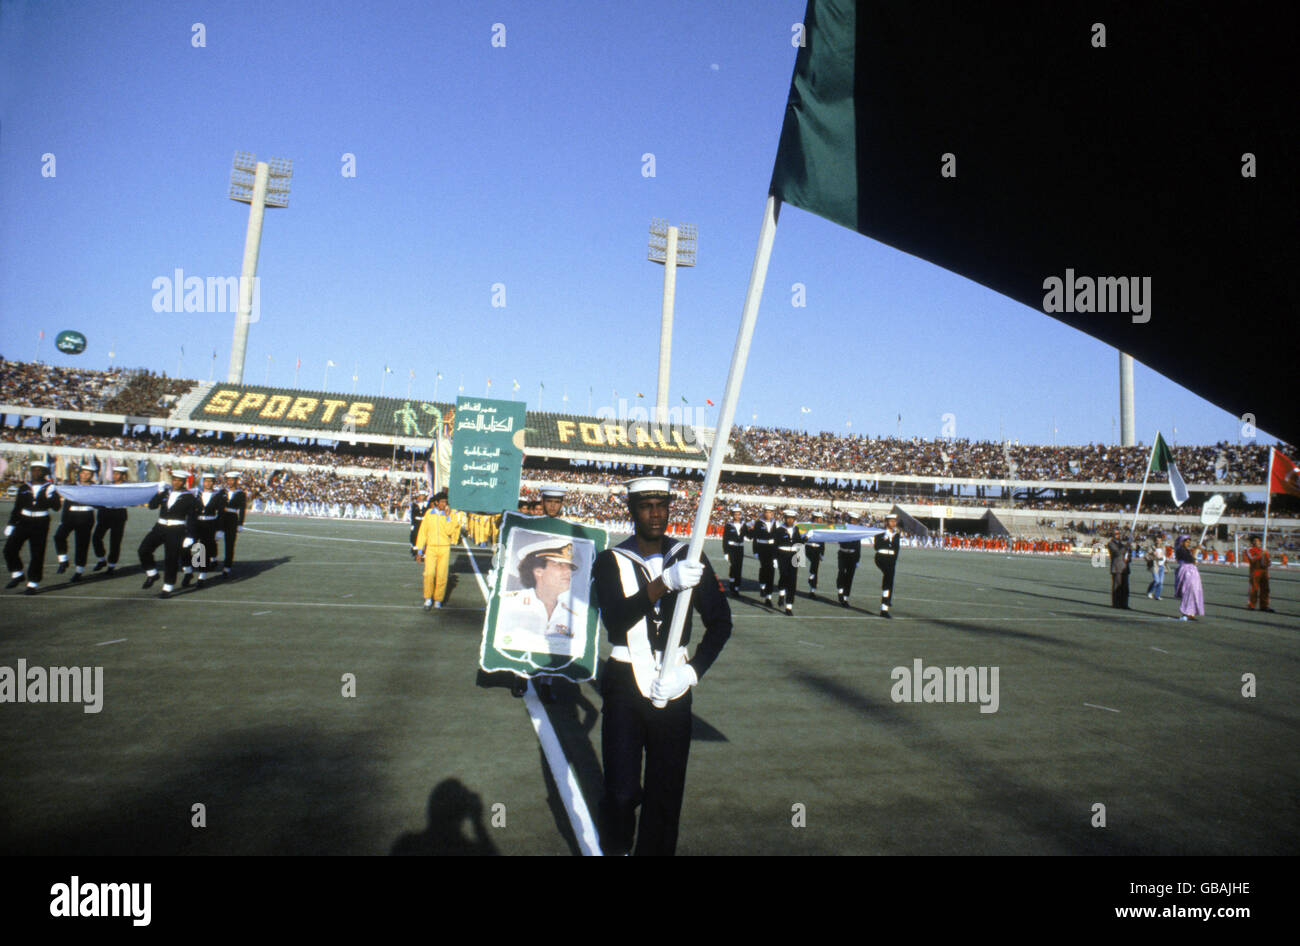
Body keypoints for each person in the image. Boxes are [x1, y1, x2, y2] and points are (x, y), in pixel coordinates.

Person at [592, 476, 731, 856]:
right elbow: (616, 621)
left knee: (665, 794)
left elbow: (722, 622)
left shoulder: (690, 555)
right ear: (631, 510)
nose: (656, 514)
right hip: (624, 682)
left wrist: (692, 672)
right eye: (646, 506)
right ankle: (617, 847)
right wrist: (663, 584)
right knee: (621, 792)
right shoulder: (610, 560)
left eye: (662, 505)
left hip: (674, 684)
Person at [138, 468, 200, 599]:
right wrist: (159, 493)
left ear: (184, 482)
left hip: (176, 529)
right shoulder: (165, 493)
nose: (176, 483)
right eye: (174, 480)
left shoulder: (189, 497)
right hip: (160, 526)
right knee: (143, 550)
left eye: (179, 481)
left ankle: (168, 587)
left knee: (171, 559)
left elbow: (192, 518)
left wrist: (190, 536)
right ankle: (152, 573)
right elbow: (152, 506)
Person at [4, 457, 61, 595]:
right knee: (9, 549)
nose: (35, 473)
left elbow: (56, 508)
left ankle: (32, 583)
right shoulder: (24, 487)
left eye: (39, 470)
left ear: (45, 472)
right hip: (24, 521)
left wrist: (51, 496)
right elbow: (17, 507)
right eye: (33, 470)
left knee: (37, 553)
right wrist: (11, 524)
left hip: (40, 522)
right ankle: (17, 573)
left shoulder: (50, 487)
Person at [415, 490, 466, 610]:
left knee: (442, 575)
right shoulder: (429, 514)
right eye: (442, 502)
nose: (444, 504)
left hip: (444, 548)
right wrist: (419, 550)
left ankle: (438, 599)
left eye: (446, 502)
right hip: (431, 548)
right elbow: (423, 532)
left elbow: (449, 531)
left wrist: (448, 517)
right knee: (429, 574)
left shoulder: (449, 515)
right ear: (436, 502)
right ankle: (428, 598)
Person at [53, 460, 97, 582]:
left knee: (82, 544)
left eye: (89, 474)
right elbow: (66, 504)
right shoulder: (71, 486)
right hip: (71, 516)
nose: (85, 476)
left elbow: (100, 504)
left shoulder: (96, 488)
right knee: (59, 536)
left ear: (92, 475)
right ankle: (63, 560)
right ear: (80, 473)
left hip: (86, 517)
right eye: (83, 473)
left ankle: (79, 571)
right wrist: (63, 520)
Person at [92, 465, 133, 574]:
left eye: (117, 474)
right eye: (114, 473)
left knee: (115, 541)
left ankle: (111, 565)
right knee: (96, 538)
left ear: (123, 476)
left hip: (118, 515)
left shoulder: (128, 488)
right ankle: (101, 559)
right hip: (105, 513)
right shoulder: (107, 485)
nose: (115, 475)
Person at [193, 471, 226, 588]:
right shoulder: (197, 494)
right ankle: (202, 565)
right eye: (206, 481)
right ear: (203, 482)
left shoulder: (218, 496)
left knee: (205, 547)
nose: (208, 483)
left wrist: (220, 529)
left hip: (210, 523)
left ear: (213, 483)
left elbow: (221, 514)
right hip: (197, 523)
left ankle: (202, 575)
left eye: (210, 481)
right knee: (196, 547)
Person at [774, 508, 804, 615]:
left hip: (794, 556)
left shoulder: (797, 529)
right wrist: (775, 559)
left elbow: (799, 543)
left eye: (792, 518)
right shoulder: (779, 529)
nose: (789, 520)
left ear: (794, 519)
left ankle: (789, 606)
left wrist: (801, 559)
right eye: (788, 518)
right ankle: (781, 594)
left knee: (792, 580)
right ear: (785, 518)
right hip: (783, 555)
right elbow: (775, 545)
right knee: (784, 576)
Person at [874, 512, 902, 618]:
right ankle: (886, 602)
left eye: (895, 521)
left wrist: (894, 560)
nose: (893, 523)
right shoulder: (880, 533)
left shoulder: (896, 535)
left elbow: (896, 549)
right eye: (891, 521)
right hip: (881, 557)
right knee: (888, 578)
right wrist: (883, 539)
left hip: (891, 559)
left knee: (889, 580)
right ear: (886, 522)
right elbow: (876, 547)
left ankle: (884, 607)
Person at [219, 471, 247, 576]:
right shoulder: (221, 492)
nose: (230, 482)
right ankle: (210, 560)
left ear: (236, 481)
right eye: (228, 480)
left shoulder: (240, 494)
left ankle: (227, 567)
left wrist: (240, 523)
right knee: (211, 541)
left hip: (232, 519)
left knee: (229, 544)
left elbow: (242, 509)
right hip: (220, 518)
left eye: (232, 480)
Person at [1172, 534, 1205, 620]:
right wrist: (1195, 550)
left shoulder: (1186, 550)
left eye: (1189, 542)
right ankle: (1186, 612)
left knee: (1195, 591)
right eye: (1186, 542)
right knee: (1188, 591)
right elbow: (1190, 559)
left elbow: (1193, 561)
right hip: (1186, 572)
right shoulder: (1180, 550)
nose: (1188, 543)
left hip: (1192, 571)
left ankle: (1192, 612)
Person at [751, 504, 778, 605]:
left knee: (771, 572)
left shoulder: (775, 523)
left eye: (770, 512)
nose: (768, 514)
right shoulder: (758, 523)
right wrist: (755, 551)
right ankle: (762, 586)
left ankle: (768, 597)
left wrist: (776, 555)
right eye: (766, 512)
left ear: (772, 513)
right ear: (763, 512)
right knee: (764, 569)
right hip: (762, 548)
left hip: (772, 549)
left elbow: (777, 540)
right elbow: (755, 538)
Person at [836, 511, 863, 607]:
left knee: (850, 577)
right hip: (843, 553)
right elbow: (839, 539)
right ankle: (840, 591)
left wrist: (857, 559)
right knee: (841, 573)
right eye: (852, 520)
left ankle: (846, 598)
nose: (853, 522)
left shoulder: (858, 531)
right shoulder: (844, 528)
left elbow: (858, 546)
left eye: (855, 520)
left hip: (853, 555)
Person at [722, 505, 748, 597]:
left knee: (739, 568)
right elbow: (725, 539)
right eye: (735, 514)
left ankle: (736, 588)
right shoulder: (729, 525)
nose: (737, 516)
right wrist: (726, 552)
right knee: (734, 567)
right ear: (732, 515)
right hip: (731, 548)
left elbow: (748, 535)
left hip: (740, 548)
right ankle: (732, 585)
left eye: (738, 514)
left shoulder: (743, 525)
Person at [1244, 535, 1274, 612]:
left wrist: (1267, 561)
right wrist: (1260, 554)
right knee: (1254, 588)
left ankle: (1264, 606)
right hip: (1255, 571)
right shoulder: (1250, 550)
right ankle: (1251, 605)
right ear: (1252, 542)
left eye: (1258, 541)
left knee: (1265, 589)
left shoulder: (1263, 550)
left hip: (1264, 571)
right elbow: (1252, 559)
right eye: (1255, 541)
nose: (1257, 542)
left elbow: (1268, 562)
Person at [804, 509, 826, 598]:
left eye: (820, 518)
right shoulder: (807, 526)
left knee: (815, 568)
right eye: (817, 518)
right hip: (808, 547)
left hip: (817, 548)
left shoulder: (822, 527)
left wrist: (822, 553)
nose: (819, 520)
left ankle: (812, 590)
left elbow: (823, 541)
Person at [1106, 529, 1131, 609]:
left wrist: (1128, 556)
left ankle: (1124, 604)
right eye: (1116, 534)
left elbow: (1127, 556)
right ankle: (1116, 603)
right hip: (1117, 568)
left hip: (1124, 568)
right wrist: (1126, 546)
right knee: (1117, 587)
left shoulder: (1121, 544)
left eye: (1118, 533)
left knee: (1125, 588)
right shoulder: (1111, 544)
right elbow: (1117, 553)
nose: (1118, 535)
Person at [1145, 536, 1166, 600]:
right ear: (1155, 541)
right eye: (1157, 540)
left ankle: (1157, 595)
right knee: (1156, 580)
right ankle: (1150, 592)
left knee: (1160, 582)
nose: (1158, 542)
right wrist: (1152, 554)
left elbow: (1163, 555)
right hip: (1155, 566)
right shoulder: (1152, 547)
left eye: (1159, 540)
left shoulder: (1163, 547)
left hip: (1162, 566)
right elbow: (1146, 556)